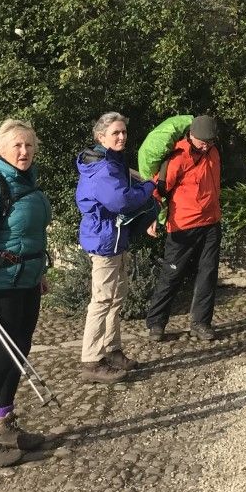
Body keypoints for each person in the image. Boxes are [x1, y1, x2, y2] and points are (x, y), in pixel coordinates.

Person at [0, 118, 52, 467]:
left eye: (29, 145)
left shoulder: (27, 184)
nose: (24, 151)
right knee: (0, 359)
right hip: (2, 287)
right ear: (0, 149)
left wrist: (40, 272)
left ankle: (6, 422)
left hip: (28, 282)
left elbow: (33, 235)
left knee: (21, 353)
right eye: (17, 145)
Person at [75, 111, 157, 383]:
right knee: (101, 300)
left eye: (123, 132)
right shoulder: (102, 168)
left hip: (115, 236)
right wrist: (148, 190)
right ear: (101, 137)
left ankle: (112, 350)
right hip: (104, 238)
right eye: (115, 133)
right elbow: (120, 201)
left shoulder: (112, 161)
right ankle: (91, 360)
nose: (122, 137)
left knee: (116, 297)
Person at [144, 114, 223, 342]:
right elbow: (158, 189)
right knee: (172, 274)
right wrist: (153, 217)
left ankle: (201, 323)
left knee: (208, 274)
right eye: (201, 142)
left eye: (210, 142)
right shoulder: (178, 156)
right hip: (183, 226)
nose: (206, 146)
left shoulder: (214, 153)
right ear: (191, 136)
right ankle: (156, 323)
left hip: (211, 223)